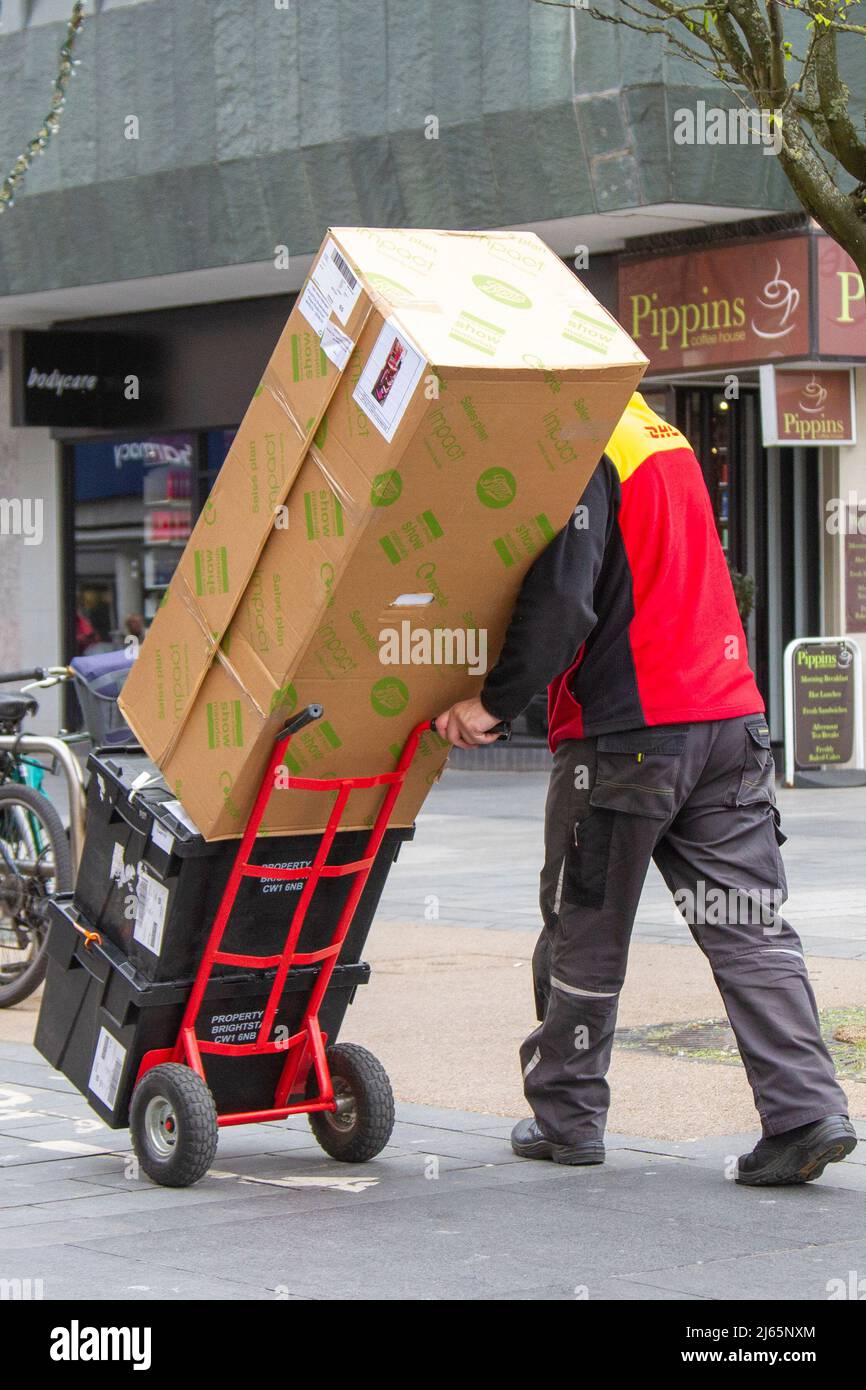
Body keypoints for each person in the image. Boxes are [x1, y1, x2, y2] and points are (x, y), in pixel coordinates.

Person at [434, 392, 855, 1187]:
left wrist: (493, 703)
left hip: (627, 736)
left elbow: (563, 599)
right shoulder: (659, 433)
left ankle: (567, 1119)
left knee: (584, 927)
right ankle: (805, 1113)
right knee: (747, 926)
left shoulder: (578, 440)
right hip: (730, 723)